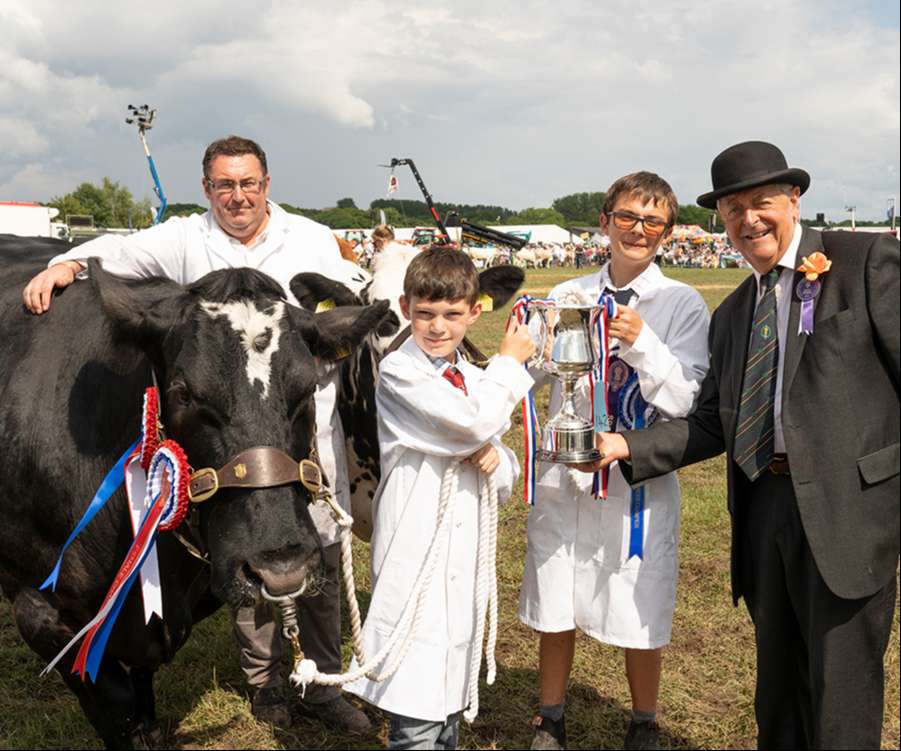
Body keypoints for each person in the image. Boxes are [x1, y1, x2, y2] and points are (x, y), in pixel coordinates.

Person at [22, 135, 371, 734]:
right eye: (225, 185)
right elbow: (120, 252)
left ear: (267, 185)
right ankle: (265, 684)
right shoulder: (185, 236)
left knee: (318, 558)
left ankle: (321, 683)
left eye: (249, 183)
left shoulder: (313, 240)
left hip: (297, 431)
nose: (238, 196)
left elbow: (354, 307)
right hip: (225, 439)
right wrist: (68, 265)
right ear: (207, 190)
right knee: (241, 551)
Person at [596, 141, 900, 749]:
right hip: (763, 509)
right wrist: (624, 447)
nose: (748, 220)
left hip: (847, 512)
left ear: (793, 200)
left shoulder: (865, 258)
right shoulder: (734, 312)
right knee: (778, 691)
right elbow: (714, 422)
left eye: (761, 202)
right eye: (733, 210)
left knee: (841, 695)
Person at [519, 172, 710, 751]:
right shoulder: (569, 293)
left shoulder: (682, 303)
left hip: (635, 477)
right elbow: (528, 374)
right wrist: (532, 344)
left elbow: (684, 401)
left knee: (640, 596)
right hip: (568, 472)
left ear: (668, 232)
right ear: (605, 222)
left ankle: (644, 722)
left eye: (652, 221)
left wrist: (643, 341)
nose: (637, 230)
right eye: (626, 217)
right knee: (557, 593)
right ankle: (550, 717)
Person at [345, 246, 535, 749]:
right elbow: (472, 423)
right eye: (425, 314)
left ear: (476, 312)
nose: (437, 327)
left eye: (452, 314)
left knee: (448, 697)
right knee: (416, 711)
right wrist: (511, 365)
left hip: (463, 555)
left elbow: (497, 453)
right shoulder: (398, 373)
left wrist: (500, 461)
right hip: (417, 551)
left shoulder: (474, 379)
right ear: (405, 308)